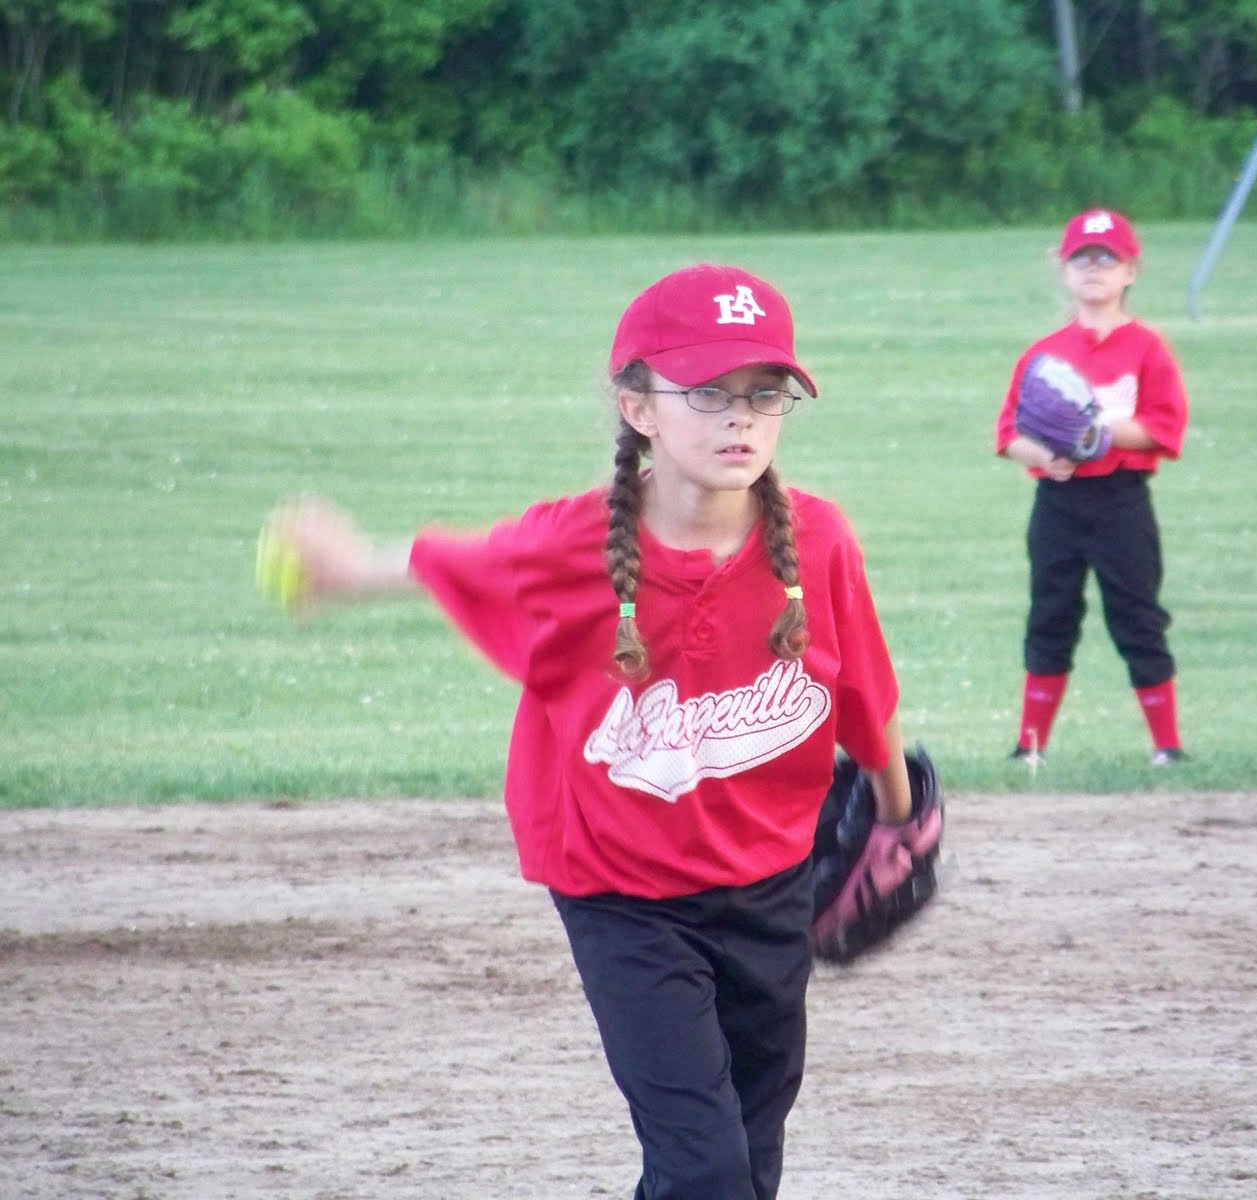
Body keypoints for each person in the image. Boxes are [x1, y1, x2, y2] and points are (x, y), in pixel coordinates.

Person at [262, 262, 912, 1200]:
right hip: (623, 892)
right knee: (706, 1168)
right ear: (638, 406)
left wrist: (894, 815)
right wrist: (342, 569)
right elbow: (454, 560)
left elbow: (865, 700)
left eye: (763, 395)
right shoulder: (570, 548)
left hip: (771, 879)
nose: (740, 418)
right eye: (707, 392)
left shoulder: (819, 541)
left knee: (752, 1150)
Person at [992, 208, 1190, 767]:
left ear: (1131, 271)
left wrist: (1094, 433)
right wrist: (1044, 456)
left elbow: (1163, 427)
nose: (1095, 268)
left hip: (1122, 500)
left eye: (1109, 258)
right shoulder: (1044, 354)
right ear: (1064, 270)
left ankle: (1166, 746)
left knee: (1137, 616)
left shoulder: (1147, 349)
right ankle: (1029, 746)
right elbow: (1009, 433)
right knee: (1050, 614)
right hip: (1058, 501)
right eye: (1082, 258)